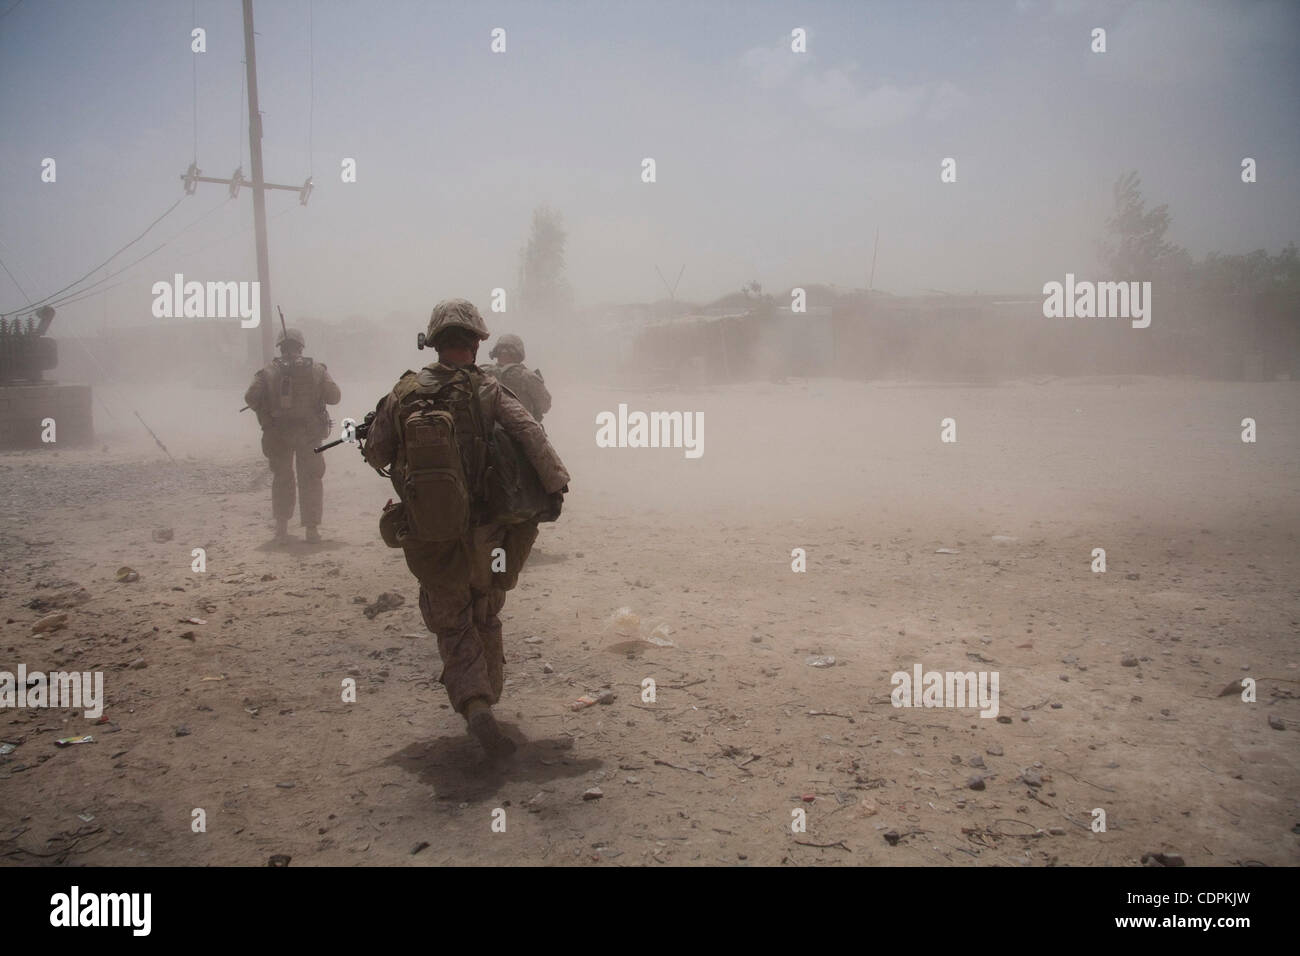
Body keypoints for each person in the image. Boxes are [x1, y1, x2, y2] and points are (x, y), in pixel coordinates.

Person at [362, 299, 569, 757]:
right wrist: (555, 488)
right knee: (486, 610)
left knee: (451, 620)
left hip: (433, 536)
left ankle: (476, 706)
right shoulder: (489, 389)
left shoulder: (404, 393)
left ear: (433, 343)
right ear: (476, 343)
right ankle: (488, 697)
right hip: (490, 536)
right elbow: (531, 434)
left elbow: (377, 454)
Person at [243, 328, 341, 544]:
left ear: (280, 347)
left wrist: (266, 407)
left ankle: (281, 529)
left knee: (282, 478)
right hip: (309, 434)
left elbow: (250, 397)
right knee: (311, 479)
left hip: (277, 434)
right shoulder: (316, 369)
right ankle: (312, 530)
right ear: (301, 347)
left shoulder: (268, 371)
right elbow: (335, 396)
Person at [483, 333, 552, 423]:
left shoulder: (484, 373)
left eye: (508, 349)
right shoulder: (527, 376)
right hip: (518, 431)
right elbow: (544, 406)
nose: (504, 352)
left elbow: (544, 405)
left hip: (493, 431)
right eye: (502, 348)